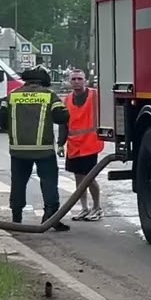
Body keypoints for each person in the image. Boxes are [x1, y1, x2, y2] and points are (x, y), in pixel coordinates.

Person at [0, 67, 71, 230]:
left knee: (18, 183)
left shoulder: (12, 96)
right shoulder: (49, 96)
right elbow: (62, 117)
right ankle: (50, 217)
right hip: (44, 150)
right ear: (44, 81)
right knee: (49, 183)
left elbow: (0, 122)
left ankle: (16, 218)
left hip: (18, 150)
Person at [57, 69, 104, 221]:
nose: (77, 81)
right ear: (69, 82)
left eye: (79, 79)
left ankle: (97, 207)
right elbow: (64, 124)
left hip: (90, 144)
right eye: (74, 79)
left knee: (89, 178)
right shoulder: (67, 100)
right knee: (78, 178)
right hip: (74, 146)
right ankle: (84, 208)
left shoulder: (95, 96)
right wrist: (60, 144)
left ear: (85, 81)